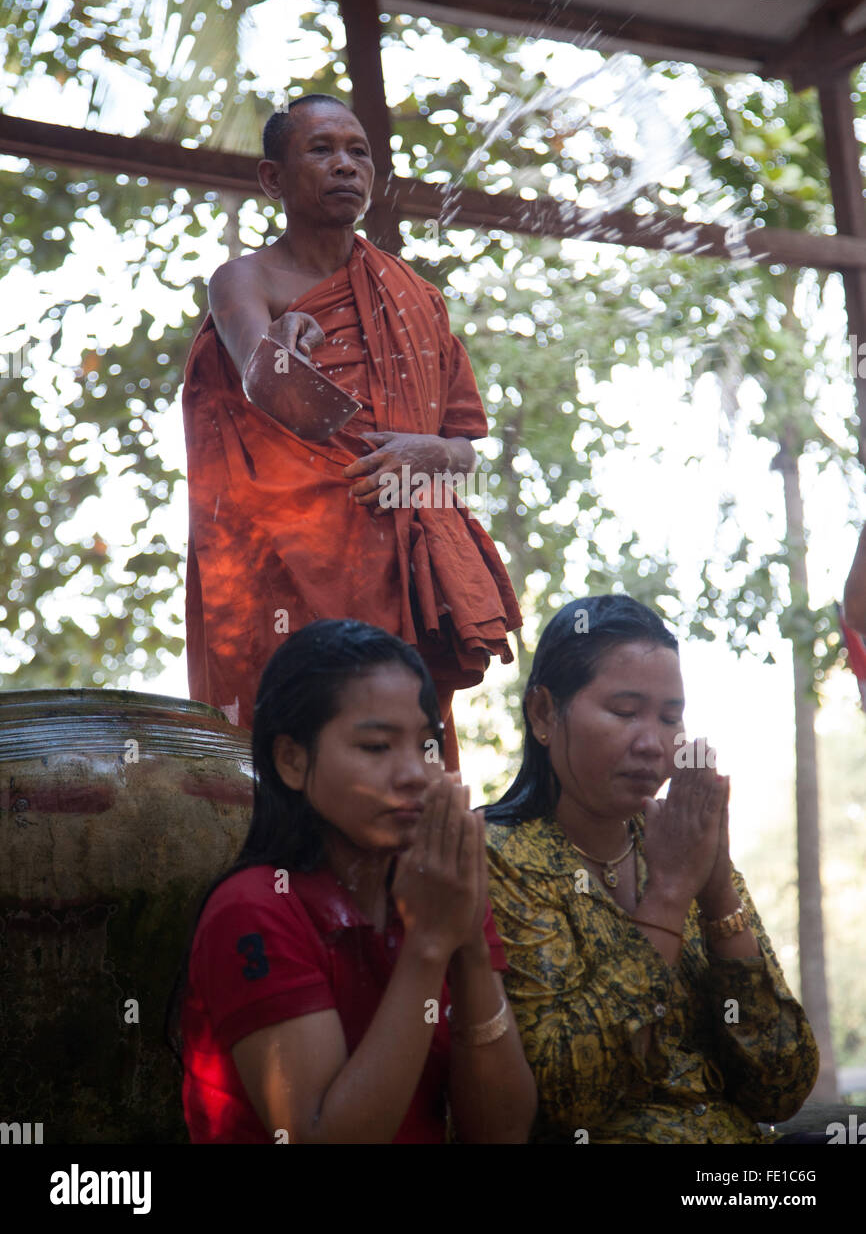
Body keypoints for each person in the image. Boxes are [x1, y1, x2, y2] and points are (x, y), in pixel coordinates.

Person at [182, 93, 521, 768]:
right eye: (321, 150)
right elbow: (263, 379)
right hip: (286, 566)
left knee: (399, 761)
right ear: (273, 179)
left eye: (358, 152)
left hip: (398, 570)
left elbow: (462, 449)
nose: (345, 166)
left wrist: (428, 454)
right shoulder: (243, 279)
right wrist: (284, 341)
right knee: (296, 750)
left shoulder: (417, 299)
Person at [168, 618, 536, 1144]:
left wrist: (469, 941)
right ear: (292, 761)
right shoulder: (255, 909)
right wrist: (429, 946)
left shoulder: (436, 885)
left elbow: (502, 1131)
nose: (414, 772)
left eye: (428, 747)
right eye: (376, 747)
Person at [484, 594, 820, 1144]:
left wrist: (717, 896)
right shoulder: (498, 855)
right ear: (544, 713)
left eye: (670, 717)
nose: (652, 743)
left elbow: (781, 1086)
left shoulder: (677, 839)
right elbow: (569, 1094)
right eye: (624, 712)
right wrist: (667, 896)